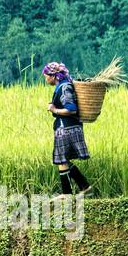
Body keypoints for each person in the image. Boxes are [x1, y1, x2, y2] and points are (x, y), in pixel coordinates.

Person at [43, 61, 93, 196]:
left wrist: (54, 109)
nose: (45, 78)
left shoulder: (64, 87)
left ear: (54, 76)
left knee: (61, 160)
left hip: (66, 128)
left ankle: (68, 194)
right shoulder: (62, 86)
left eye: (46, 75)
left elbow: (71, 109)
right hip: (68, 127)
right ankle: (85, 187)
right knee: (63, 160)